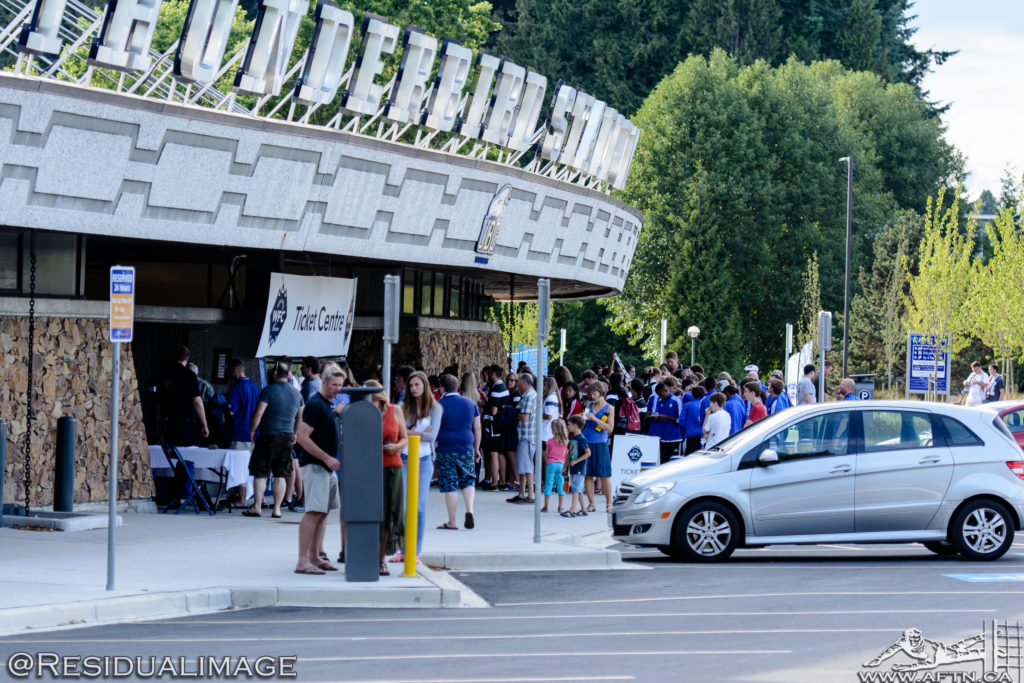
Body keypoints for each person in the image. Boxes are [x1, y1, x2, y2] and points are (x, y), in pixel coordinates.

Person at [293, 365, 345, 575]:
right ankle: (302, 560)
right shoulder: (315, 404)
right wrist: (326, 457)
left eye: (340, 385)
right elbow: (302, 436)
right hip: (316, 466)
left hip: (326, 467)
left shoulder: (325, 405)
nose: (337, 389)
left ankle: (315, 556)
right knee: (313, 512)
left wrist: (335, 412)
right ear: (323, 382)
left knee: (323, 512)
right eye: (334, 384)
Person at [392, 371, 442, 563]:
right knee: (404, 506)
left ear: (425, 386)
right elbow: (397, 433)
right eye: (410, 385)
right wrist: (418, 432)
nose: (413, 389)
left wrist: (409, 432)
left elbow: (432, 437)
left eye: (416, 385)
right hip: (404, 458)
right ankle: (404, 549)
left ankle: (415, 551)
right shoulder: (402, 406)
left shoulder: (435, 408)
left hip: (424, 460)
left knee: (419, 507)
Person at [245, 361, 303, 518]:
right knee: (280, 474)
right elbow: (300, 417)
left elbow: (259, 412)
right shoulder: (297, 394)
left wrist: (252, 429)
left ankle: (257, 506)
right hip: (286, 437)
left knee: (260, 472)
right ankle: (277, 509)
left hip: (267, 436)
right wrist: (295, 433)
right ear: (289, 374)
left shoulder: (268, 391)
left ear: (275, 374)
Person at [365, 380, 407, 575]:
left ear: (379, 399)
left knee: (392, 513)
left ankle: (381, 559)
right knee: (374, 515)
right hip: (371, 469)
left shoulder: (394, 410)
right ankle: (370, 557)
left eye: (370, 400)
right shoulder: (364, 414)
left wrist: (396, 447)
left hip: (392, 466)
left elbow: (404, 438)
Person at [435, 373, 481, 528]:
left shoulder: (439, 404)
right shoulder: (470, 403)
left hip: (446, 447)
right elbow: (477, 427)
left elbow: (434, 427)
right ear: (457, 387)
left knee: (450, 484)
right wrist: (476, 448)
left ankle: (452, 521)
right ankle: (470, 510)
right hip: (466, 445)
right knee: (468, 481)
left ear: (442, 387)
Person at [157, 345, 209, 447]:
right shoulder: (190, 375)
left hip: (168, 424)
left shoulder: (164, 375)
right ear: (187, 358)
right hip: (185, 425)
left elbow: (159, 404)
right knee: (188, 458)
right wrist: (204, 425)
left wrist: (158, 428)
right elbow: (197, 402)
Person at [225, 358, 259, 509]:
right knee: (253, 468)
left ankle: (242, 499)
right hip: (254, 433)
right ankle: (259, 499)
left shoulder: (237, 388)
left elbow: (231, 411)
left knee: (239, 467)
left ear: (234, 370)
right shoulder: (254, 386)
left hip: (240, 433)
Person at [582, 380, 614, 512]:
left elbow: (610, 428)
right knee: (587, 475)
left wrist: (595, 418)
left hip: (600, 443)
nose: (591, 395)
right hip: (586, 441)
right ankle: (591, 503)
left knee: (604, 475)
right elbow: (583, 422)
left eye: (593, 393)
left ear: (600, 392)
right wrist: (581, 418)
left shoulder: (609, 408)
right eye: (590, 393)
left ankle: (609, 503)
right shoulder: (588, 405)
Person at [508, 374, 538, 504]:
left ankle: (531, 494)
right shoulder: (527, 395)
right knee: (522, 465)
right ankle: (522, 493)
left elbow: (524, 417)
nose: (517, 385)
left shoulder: (530, 397)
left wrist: (512, 413)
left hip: (527, 435)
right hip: (524, 435)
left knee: (526, 466)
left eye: (518, 382)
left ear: (525, 383)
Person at [481, 366, 510, 491]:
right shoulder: (504, 388)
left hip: (494, 425)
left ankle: (494, 482)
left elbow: (493, 410)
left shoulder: (496, 389)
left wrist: (486, 406)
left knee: (493, 453)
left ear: (493, 374)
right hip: (502, 424)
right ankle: (502, 481)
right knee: (500, 453)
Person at [647, 382, 683, 464]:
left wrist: (667, 417)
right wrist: (656, 418)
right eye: (658, 395)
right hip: (662, 438)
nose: (660, 397)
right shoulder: (660, 401)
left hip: (674, 438)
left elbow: (681, 420)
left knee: (673, 464)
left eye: (661, 394)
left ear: (666, 391)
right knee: (663, 463)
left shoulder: (676, 401)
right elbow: (659, 415)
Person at [564, 415, 591, 517]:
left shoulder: (581, 439)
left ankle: (572, 510)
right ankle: (584, 509)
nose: (568, 426)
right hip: (573, 468)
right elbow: (569, 453)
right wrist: (564, 466)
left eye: (569, 424)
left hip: (579, 468)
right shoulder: (572, 438)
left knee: (575, 488)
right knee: (578, 489)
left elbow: (588, 453)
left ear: (575, 425)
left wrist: (576, 461)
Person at [542, 418, 569, 514]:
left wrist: (547, 461)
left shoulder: (549, 441)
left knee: (548, 484)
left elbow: (546, 453)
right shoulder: (566, 442)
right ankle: (560, 507)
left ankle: (546, 507)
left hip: (551, 463)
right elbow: (567, 455)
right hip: (561, 464)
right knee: (560, 486)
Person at [682, 386, 706, 454]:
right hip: (703, 436)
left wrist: (683, 434)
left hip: (691, 436)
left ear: (693, 395)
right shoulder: (706, 404)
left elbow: (682, 422)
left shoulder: (688, 405)